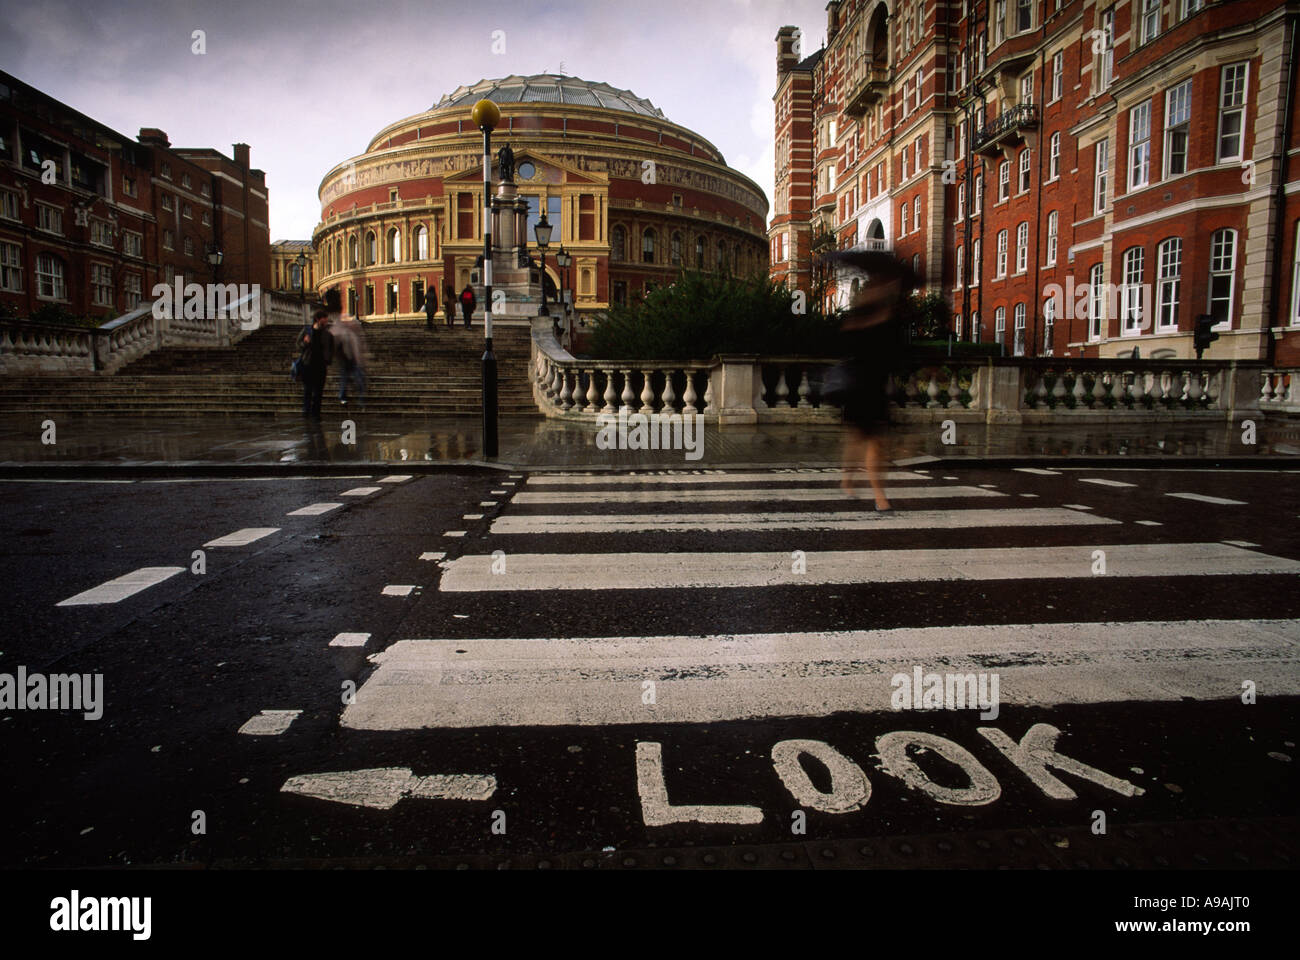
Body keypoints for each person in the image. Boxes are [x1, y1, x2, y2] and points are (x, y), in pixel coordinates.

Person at [826, 252, 917, 512]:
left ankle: (863, 486)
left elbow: (899, 352)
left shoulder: (894, 316)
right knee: (861, 439)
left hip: (877, 386)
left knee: (870, 441)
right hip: (856, 386)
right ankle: (873, 492)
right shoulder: (858, 314)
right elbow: (843, 345)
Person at [297, 308, 334, 420]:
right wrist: (305, 342)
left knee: (318, 391)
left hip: (321, 366)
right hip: (307, 365)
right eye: (325, 319)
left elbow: (331, 348)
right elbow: (298, 344)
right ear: (318, 319)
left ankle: (316, 413)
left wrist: (328, 360)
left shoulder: (328, 334)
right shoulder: (306, 331)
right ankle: (306, 411)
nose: (326, 321)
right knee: (308, 390)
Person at [334, 312, 367, 408]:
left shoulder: (353, 335)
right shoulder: (343, 334)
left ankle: (359, 399)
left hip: (353, 361)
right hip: (346, 361)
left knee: (357, 380)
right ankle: (343, 397)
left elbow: (358, 348)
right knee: (346, 380)